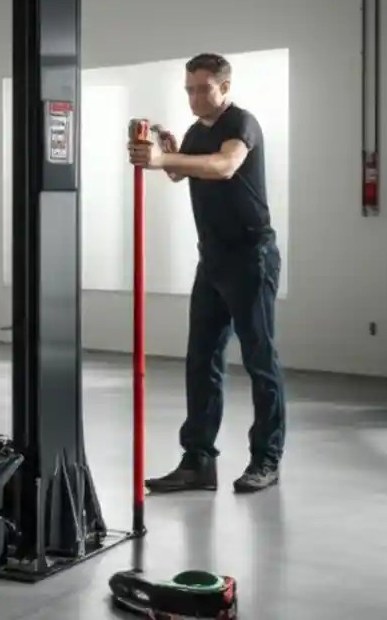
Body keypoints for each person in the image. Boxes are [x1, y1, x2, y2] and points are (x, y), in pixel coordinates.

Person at [127, 52, 285, 494]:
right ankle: (198, 461)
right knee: (201, 361)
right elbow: (183, 175)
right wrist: (171, 154)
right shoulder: (198, 132)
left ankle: (266, 459)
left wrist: (161, 161)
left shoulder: (242, 123)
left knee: (260, 360)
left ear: (225, 87)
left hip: (251, 256)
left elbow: (224, 165)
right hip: (212, 259)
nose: (195, 97)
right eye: (189, 89)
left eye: (204, 88)